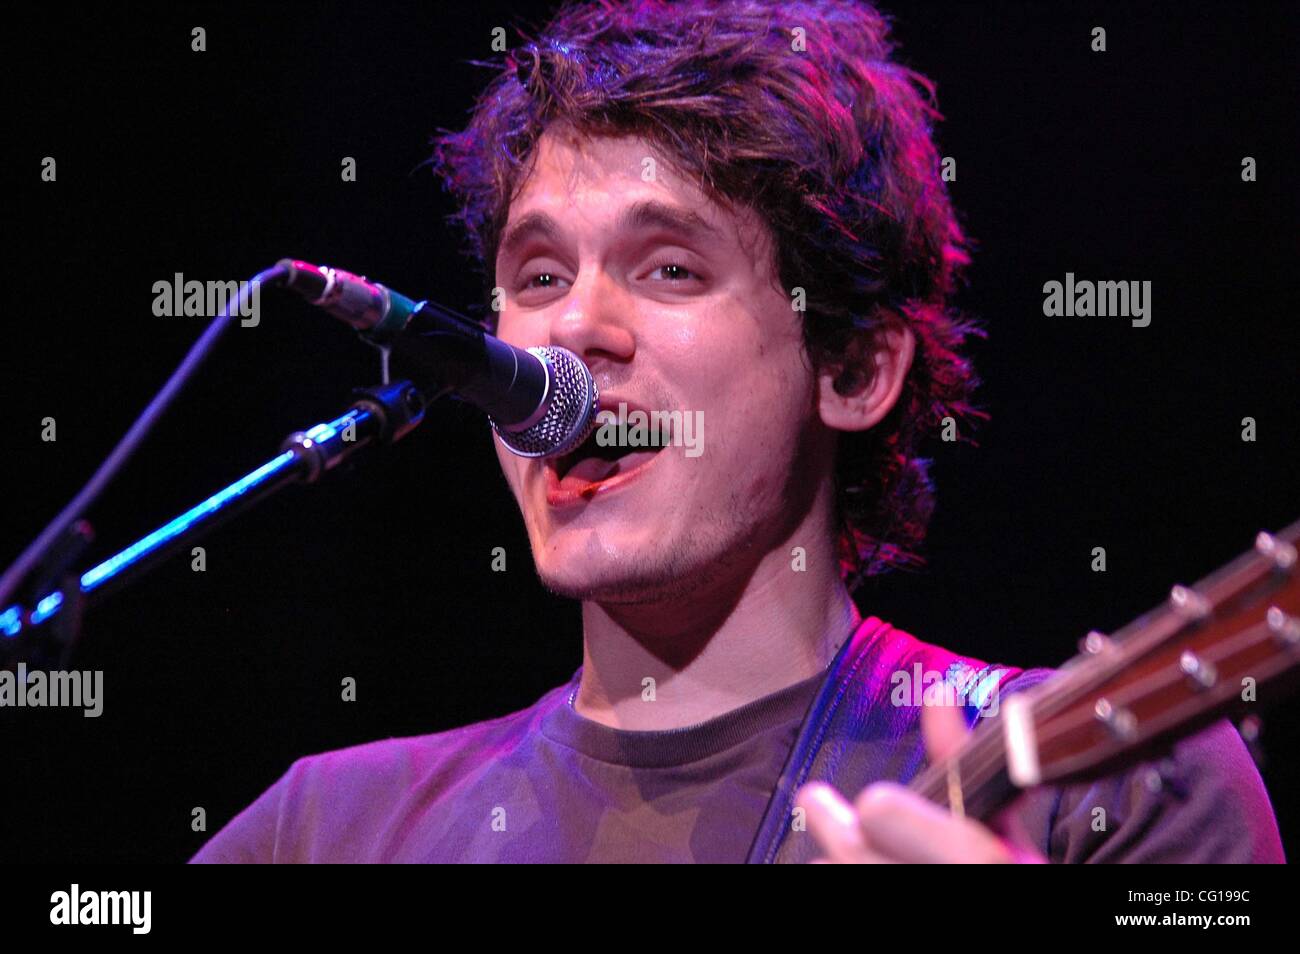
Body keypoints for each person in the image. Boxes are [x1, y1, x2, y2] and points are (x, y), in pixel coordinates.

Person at [191, 0, 1284, 863]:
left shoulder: (1113, 784)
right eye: (536, 275)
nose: (573, 328)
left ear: (851, 370)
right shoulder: (324, 829)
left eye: (670, 267)